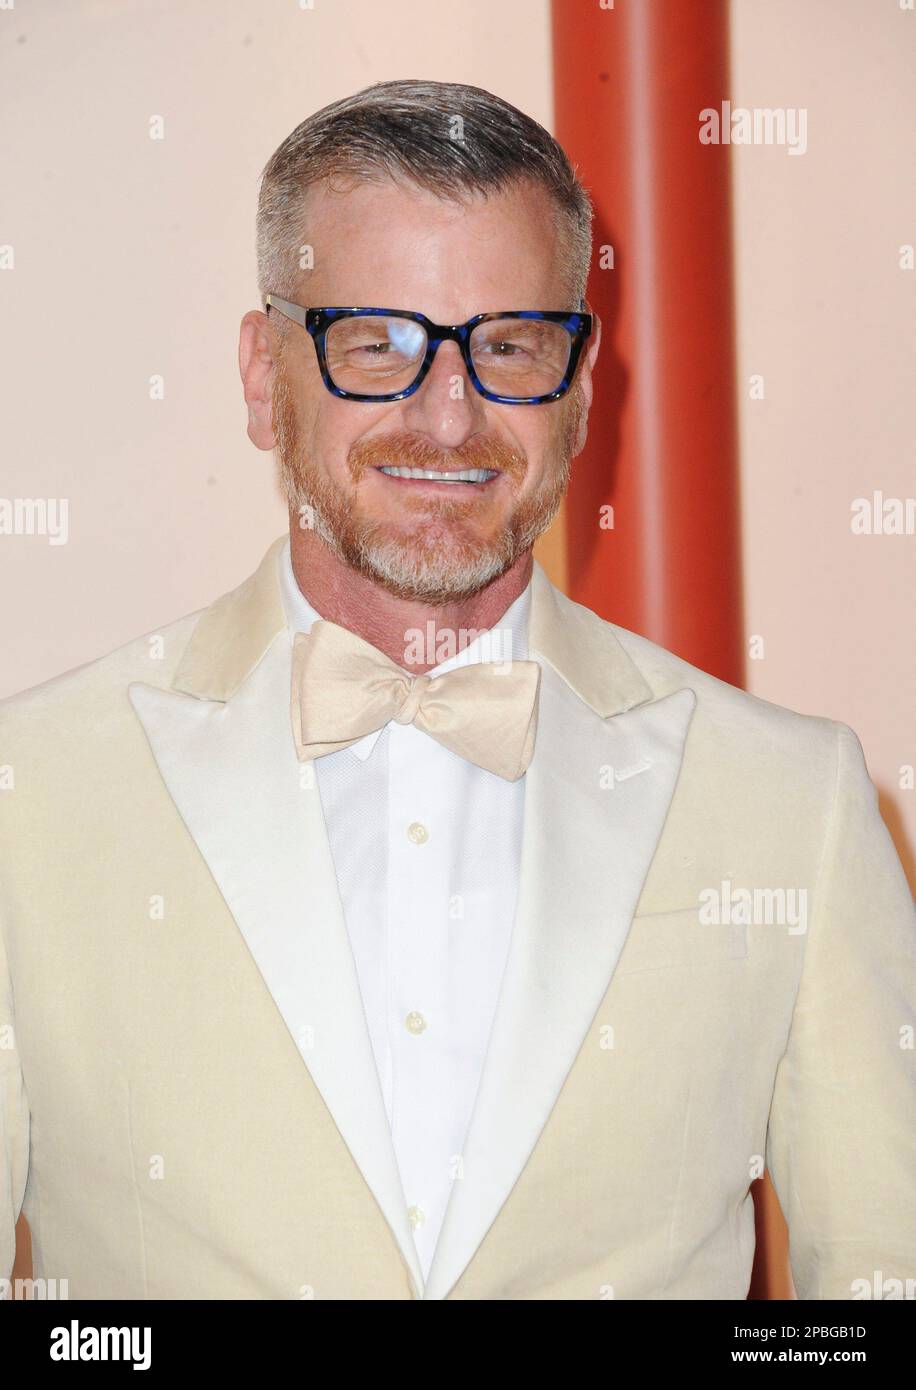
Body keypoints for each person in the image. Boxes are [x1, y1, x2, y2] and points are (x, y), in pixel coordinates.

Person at [1, 79, 914, 1302]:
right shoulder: (31, 794)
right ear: (264, 374)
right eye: (375, 341)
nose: (451, 414)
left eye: (509, 345)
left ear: (580, 386)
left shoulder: (792, 802)